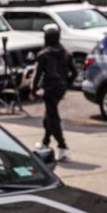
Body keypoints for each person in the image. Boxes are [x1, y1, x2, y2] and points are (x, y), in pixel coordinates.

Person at [31, 24, 76, 159]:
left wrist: (33, 90)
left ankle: (62, 146)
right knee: (49, 116)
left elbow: (38, 74)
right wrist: (67, 83)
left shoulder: (43, 55)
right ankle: (45, 142)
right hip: (60, 88)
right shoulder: (66, 54)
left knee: (53, 117)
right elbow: (74, 72)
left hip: (50, 87)